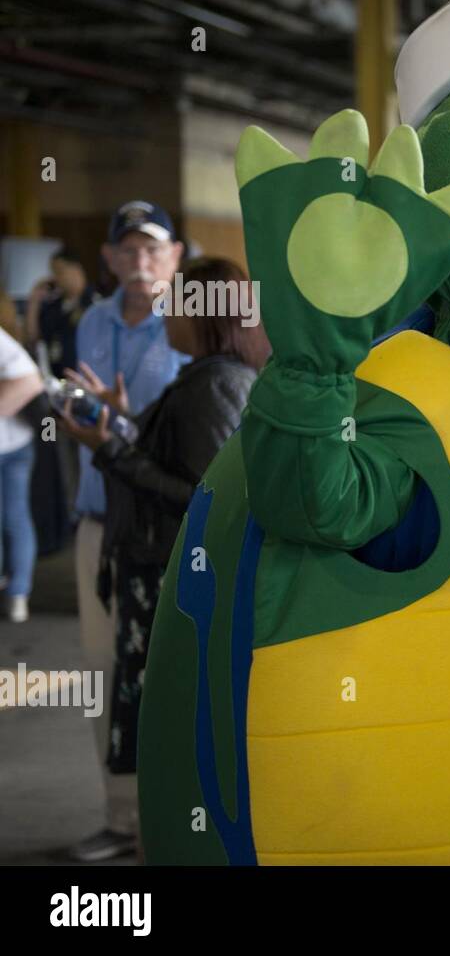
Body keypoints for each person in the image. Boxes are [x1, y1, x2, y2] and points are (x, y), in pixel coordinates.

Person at [59, 256, 268, 851]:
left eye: (177, 303)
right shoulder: (209, 377)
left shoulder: (214, 384)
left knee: (170, 730)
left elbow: (204, 501)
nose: (166, 312)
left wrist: (112, 450)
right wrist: (122, 425)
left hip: (165, 583)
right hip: (156, 578)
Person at [63, 200, 189, 862]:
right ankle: (120, 817)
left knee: (162, 670)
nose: (141, 262)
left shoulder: (192, 329)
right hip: (98, 519)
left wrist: (117, 425)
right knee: (101, 666)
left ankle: (165, 820)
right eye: (129, 250)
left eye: (154, 249)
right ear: (109, 259)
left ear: (175, 257)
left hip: (159, 528)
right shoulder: (91, 323)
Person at [0, 325, 44, 622]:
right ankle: (18, 595)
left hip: (13, 444)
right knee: (17, 517)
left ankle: (16, 592)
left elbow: (31, 380)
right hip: (18, 439)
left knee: (14, 517)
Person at [23, 250, 95, 376]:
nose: (55, 278)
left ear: (76, 269)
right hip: (54, 377)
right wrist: (34, 302)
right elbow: (34, 340)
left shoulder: (95, 304)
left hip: (83, 377)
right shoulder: (53, 307)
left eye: (59, 271)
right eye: (53, 272)